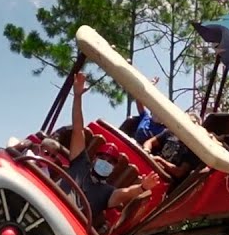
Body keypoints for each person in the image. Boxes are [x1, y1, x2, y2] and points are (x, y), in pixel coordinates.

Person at [61, 72, 159, 226]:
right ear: (95, 158)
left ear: (113, 168)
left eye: (110, 162)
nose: (105, 163)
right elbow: (78, 129)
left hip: (68, 226)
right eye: (103, 158)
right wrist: (77, 96)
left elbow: (126, 193)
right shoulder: (80, 163)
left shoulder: (108, 192)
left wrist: (143, 187)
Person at [142, 112, 203, 181]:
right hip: (151, 165)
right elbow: (150, 142)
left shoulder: (193, 150)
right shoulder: (171, 132)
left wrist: (160, 161)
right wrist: (146, 150)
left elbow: (179, 172)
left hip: (164, 178)